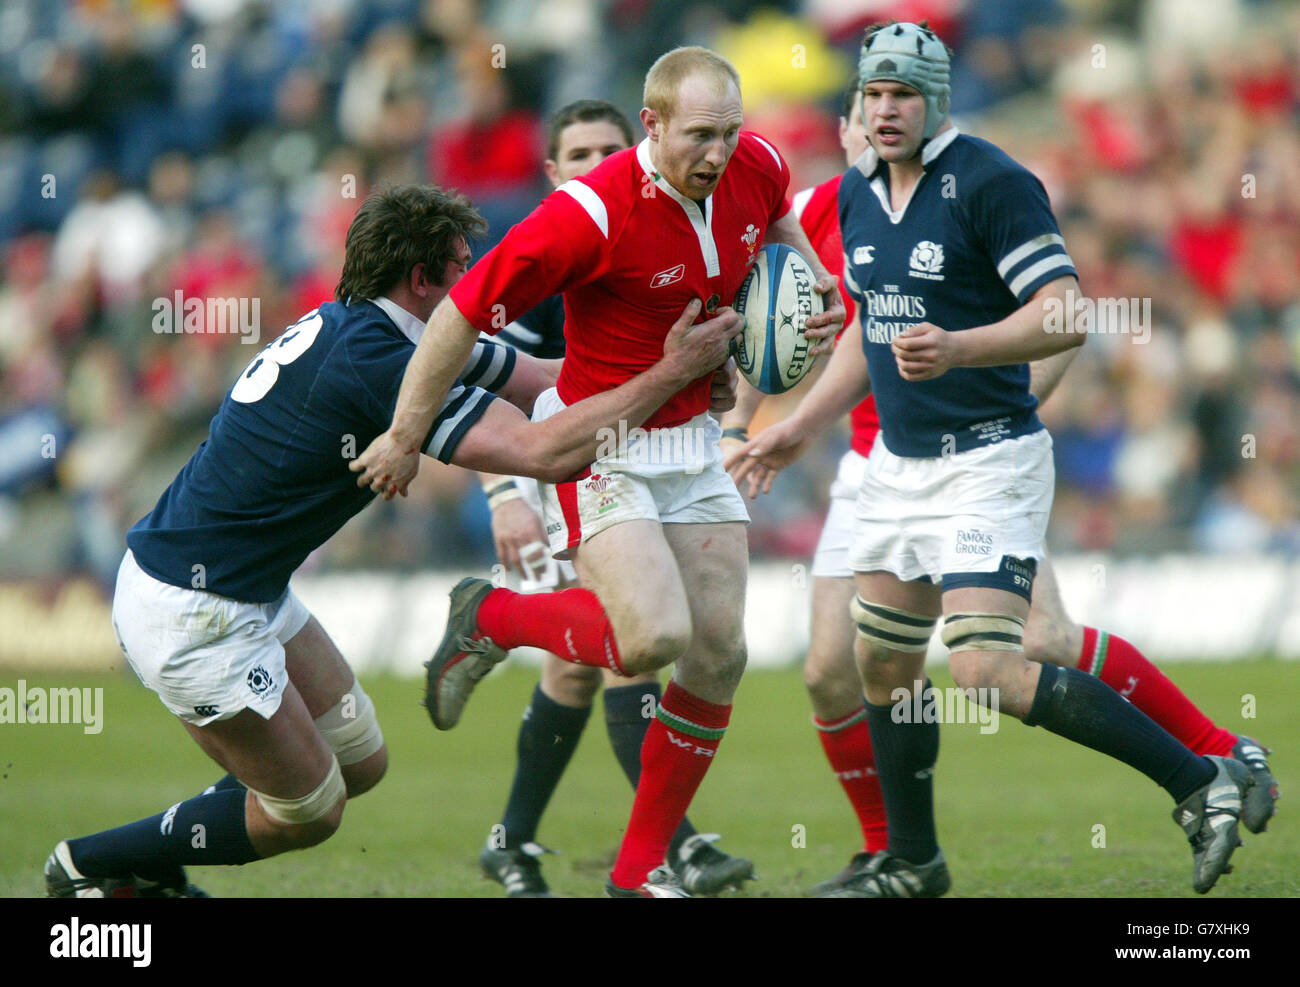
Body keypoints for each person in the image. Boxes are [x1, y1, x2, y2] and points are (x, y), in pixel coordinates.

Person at [43, 183, 741, 898]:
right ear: (421, 281)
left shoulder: (390, 331)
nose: (482, 285)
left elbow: (547, 386)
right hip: (193, 609)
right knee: (312, 808)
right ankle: (93, 863)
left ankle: (215, 807)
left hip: (246, 587)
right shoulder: (380, 364)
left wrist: (675, 383)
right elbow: (542, 449)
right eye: (466, 268)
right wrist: (670, 375)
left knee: (360, 758)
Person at [726, 21, 1262, 897]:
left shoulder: (991, 181)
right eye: (874, 93)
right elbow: (873, 325)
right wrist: (799, 425)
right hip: (895, 467)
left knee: (985, 669)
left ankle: (1202, 782)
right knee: (883, 667)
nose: (886, 109)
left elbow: (1066, 313)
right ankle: (913, 861)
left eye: (904, 93)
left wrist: (964, 347)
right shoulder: (859, 195)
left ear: (938, 97)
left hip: (987, 460)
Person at [351, 47, 845, 896]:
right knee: (652, 636)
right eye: (699, 135)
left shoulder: (757, 164)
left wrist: (817, 294)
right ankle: (496, 617)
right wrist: (404, 432)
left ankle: (635, 870)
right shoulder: (590, 213)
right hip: (602, 444)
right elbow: (460, 316)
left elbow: (785, 243)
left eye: (729, 131)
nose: (719, 152)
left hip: (693, 441)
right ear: (651, 126)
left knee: (720, 652)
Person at [472, 98, 753, 898]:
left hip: (646, 454)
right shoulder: (541, 262)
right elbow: (481, 390)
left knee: (587, 667)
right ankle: (668, 852)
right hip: (558, 462)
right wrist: (503, 496)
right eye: (579, 152)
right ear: (553, 172)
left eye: (610, 148)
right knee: (636, 651)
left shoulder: (656, 225)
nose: (598, 161)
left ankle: (515, 840)